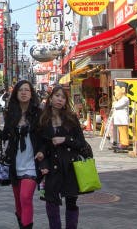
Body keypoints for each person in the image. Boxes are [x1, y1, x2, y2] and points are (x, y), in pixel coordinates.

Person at [0, 80, 42, 229]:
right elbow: (5, 136)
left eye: (27, 90)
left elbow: (44, 137)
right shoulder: (11, 114)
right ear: (16, 93)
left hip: (32, 163)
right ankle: (22, 224)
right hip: (15, 164)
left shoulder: (38, 113)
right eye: (20, 90)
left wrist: (42, 152)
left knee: (25, 198)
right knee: (18, 202)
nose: (24, 92)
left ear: (31, 93)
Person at [36, 85, 92, 229]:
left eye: (63, 97)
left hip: (70, 166)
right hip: (52, 167)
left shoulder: (71, 118)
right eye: (57, 96)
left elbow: (81, 143)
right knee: (51, 202)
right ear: (50, 98)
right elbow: (42, 144)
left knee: (71, 202)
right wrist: (42, 157)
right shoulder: (43, 119)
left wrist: (65, 139)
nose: (60, 99)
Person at [112, 81, 131, 152]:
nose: (114, 91)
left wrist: (115, 102)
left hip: (122, 119)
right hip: (120, 119)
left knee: (123, 132)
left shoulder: (125, 99)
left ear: (123, 90)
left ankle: (125, 144)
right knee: (121, 131)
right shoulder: (120, 99)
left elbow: (116, 105)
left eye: (116, 89)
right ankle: (122, 143)